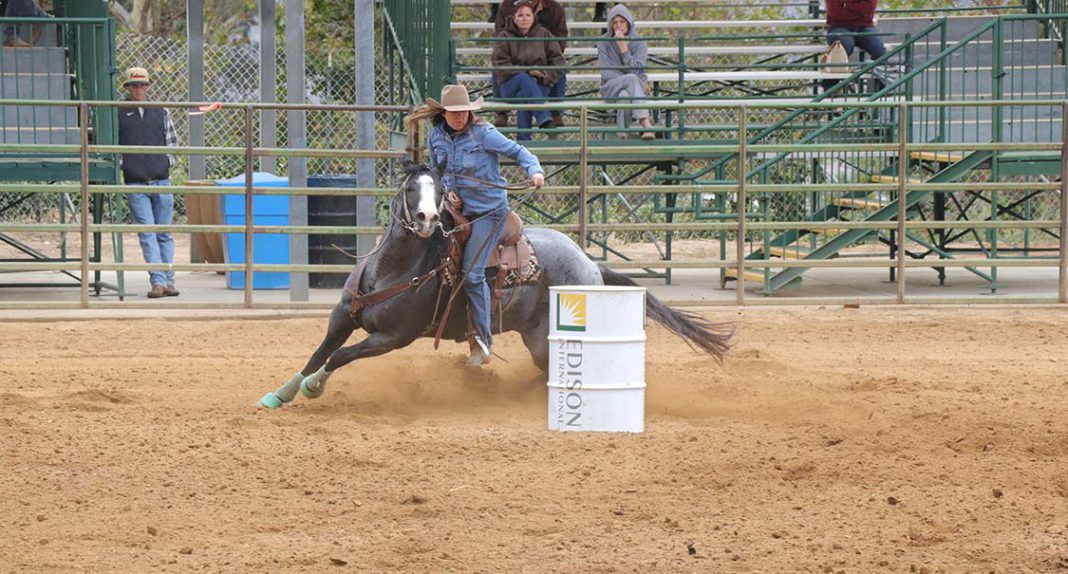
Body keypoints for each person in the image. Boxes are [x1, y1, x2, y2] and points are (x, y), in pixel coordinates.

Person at [419, 84, 545, 366]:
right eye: (454, 112)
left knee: (472, 274)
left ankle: (483, 342)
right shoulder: (436, 137)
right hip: (455, 210)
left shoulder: (484, 133)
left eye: (464, 111)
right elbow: (436, 172)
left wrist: (535, 171)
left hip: (489, 212)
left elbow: (518, 151)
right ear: (443, 113)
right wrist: (448, 190)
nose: (460, 117)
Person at [118, 67, 180, 299]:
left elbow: (172, 142)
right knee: (148, 232)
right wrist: (127, 165)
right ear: (128, 88)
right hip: (136, 181)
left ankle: (167, 280)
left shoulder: (161, 111)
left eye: (142, 85)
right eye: (134, 86)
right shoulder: (118, 112)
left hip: (161, 178)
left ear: (147, 86)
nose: (139, 89)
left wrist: (164, 163)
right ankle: (158, 280)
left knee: (163, 232)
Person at [493, 0, 565, 141]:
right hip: (510, 86)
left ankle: (524, 139)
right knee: (523, 79)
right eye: (520, 15)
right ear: (514, 18)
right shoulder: (504, 37)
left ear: (534, 17)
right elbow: (500, 65)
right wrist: (527, 71)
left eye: (528, 15)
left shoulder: (544, 34)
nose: (524, 18)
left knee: (524, 96)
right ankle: (544, 119)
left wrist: (543, 76)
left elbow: (559, 61)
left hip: (539, 85)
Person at [598, 4, 654, 140]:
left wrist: (624, 50)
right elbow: (606, 73)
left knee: (624, 95)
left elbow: (639, 69)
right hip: (610, 87)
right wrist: (635, 80)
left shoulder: (639, 42)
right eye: (614, 22)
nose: (618, 26)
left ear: (629, 23)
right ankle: (646, 124)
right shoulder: (603, 42)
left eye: (622, 22)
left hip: (631, 90)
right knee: (631, 79)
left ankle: (622, 135)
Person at [823, 0, 884, 91]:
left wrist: (846, 4)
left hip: (865, 26)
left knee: (879, 51)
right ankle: (830, 88)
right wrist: (859, 9)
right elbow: (835, 13)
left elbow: (869, 8)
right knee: (844, 45)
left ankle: (880, 90)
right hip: (838, 26)